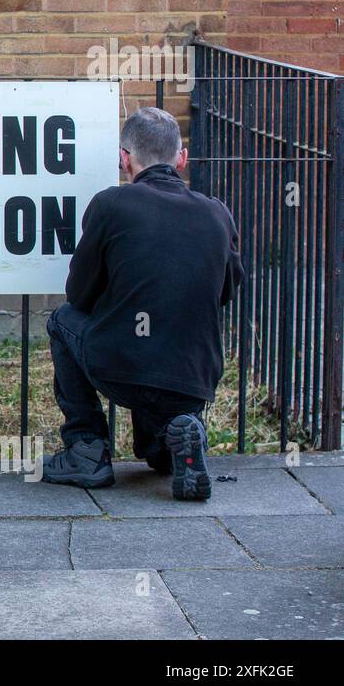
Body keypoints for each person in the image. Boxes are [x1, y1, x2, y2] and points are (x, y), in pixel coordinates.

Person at [41, 106, 244, 500]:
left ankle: (86, 449)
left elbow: (78, 295)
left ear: (124, 159)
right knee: (160, 444)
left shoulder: (111, 205)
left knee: (63, 321)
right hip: (192, 377)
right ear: (181, 160)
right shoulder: (218, 214)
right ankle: (178, 438)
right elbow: (227, 293)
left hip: (122, 366)